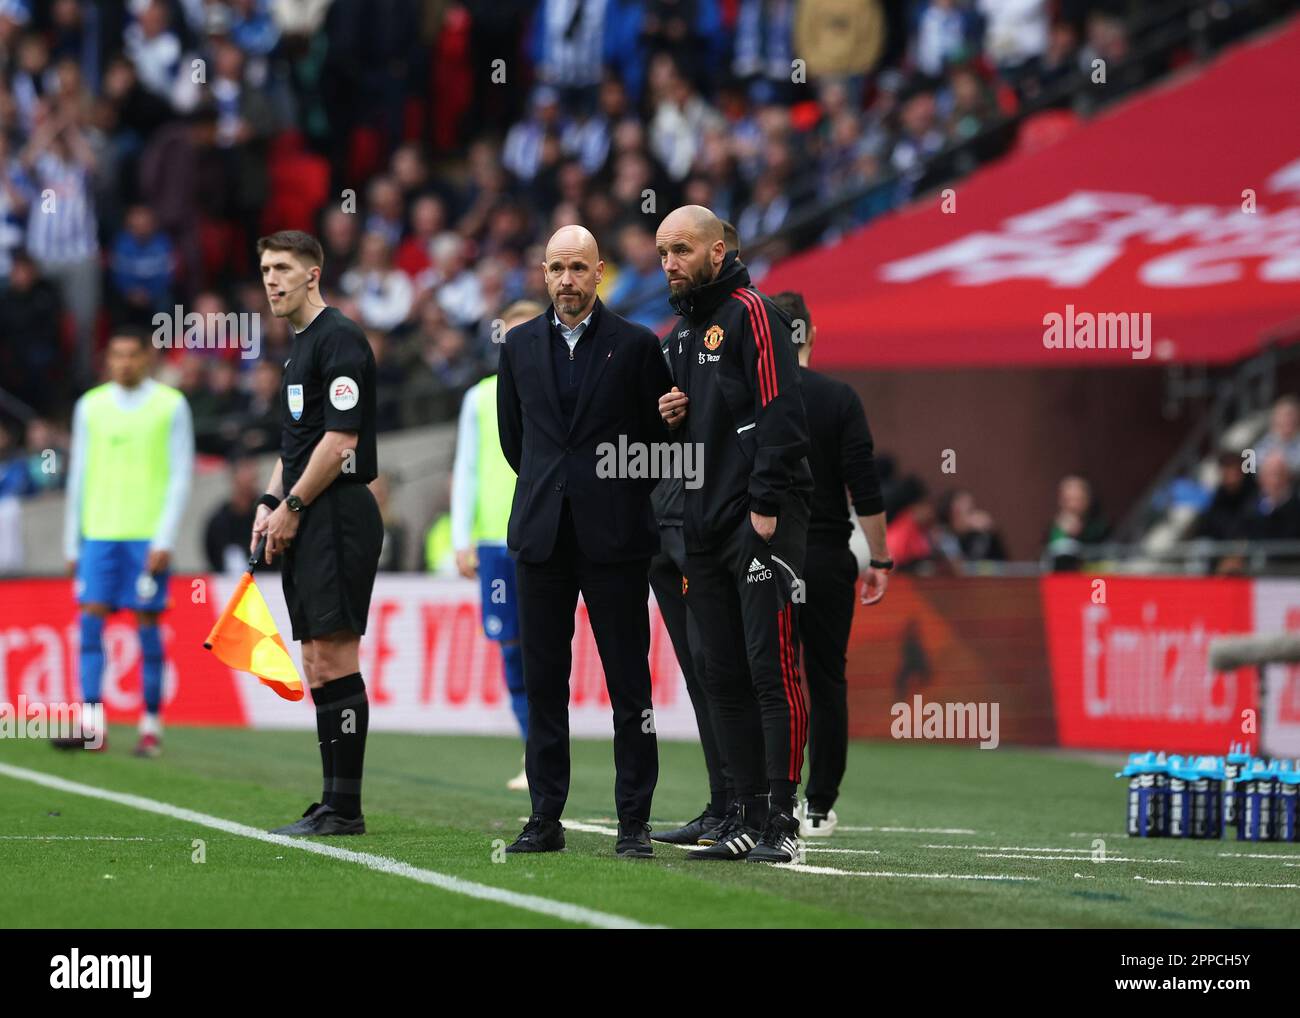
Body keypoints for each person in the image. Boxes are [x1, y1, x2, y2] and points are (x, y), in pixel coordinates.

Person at [496, 225, 672, 858]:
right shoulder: (516, 346)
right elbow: (516, 442)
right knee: (545, 682)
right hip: (543, 537)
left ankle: (634, 823)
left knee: (630, 686)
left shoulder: (636, 345)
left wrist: (604, 489)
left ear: (600, 273)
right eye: (556, 269)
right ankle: (545, 818)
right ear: (543, 274)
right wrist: (558, 486)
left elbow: (658, 446)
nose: (566, 280)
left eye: (578, 268)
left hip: (617, 538)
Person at [656, 205, 812, 863]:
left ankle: (781, 818)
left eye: (682, 251)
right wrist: (666, 416)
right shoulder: (679, 336)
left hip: (755, 521)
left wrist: (766, 507)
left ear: (718, 252)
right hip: (702, 527)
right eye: (663, 252)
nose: (669, 264)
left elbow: (782, 411)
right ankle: (741, 812)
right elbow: (684, 435)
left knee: (768, 669)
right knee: (718, 673)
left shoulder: (752, 312)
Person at [252, 230, 382, 837]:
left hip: (337, 513)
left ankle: (346, 807)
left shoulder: (341, 339)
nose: (270, 279)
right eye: (264, 269)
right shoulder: (299, 348)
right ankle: (333, 800)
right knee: (314, 658)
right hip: (309, 511)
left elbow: (341, 441)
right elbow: (299, 444)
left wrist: (295, 505)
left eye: (281, 268)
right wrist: (270, 499)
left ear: (312, 274)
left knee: (334, 653)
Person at [771, 290, 890, 838]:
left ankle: (768, 795)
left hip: (766, 558)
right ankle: (818, 805)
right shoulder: (840, 399)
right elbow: (864, 488)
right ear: (811, 336)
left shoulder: (758, 396)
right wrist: (881, 558)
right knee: (826, 678)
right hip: (825, 558)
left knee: (768, 680)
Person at [58, 326, 194, 757]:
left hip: (145, 538)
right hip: (99, 534)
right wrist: (71, 541)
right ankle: (92, 727)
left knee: (148, 627)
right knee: (90, 625)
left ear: (146, 358)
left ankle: (150, 727)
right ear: (107, 360)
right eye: (116, 355)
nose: (124, 363)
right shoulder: (90, 406)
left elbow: (180, 474)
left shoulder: (170, 405)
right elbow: (78, 473)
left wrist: (165, 537)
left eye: (131, 354)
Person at [450, 298, 544, 790]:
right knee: (511, 647)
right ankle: (534, 751)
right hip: (494, 542)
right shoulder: (479, 396)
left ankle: (549, 751)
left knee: (544, 645)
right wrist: (462, 537)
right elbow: (466, 466)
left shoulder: (556, 388)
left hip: (544, 535)